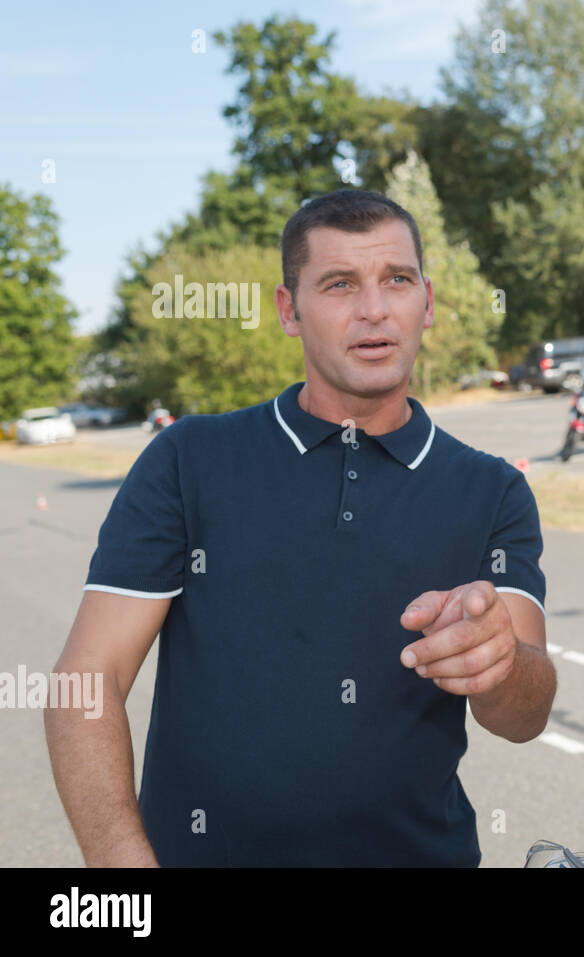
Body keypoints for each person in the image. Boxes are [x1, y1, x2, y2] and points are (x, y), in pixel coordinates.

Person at [44, 189, 556, 867]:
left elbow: (525, 715)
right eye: (340, 284)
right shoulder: (189, 458)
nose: (374, 309)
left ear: (427, 302)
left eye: (396, 280)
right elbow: (86, 678)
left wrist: (500, 663)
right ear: (290, 310)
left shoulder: (493, 489)